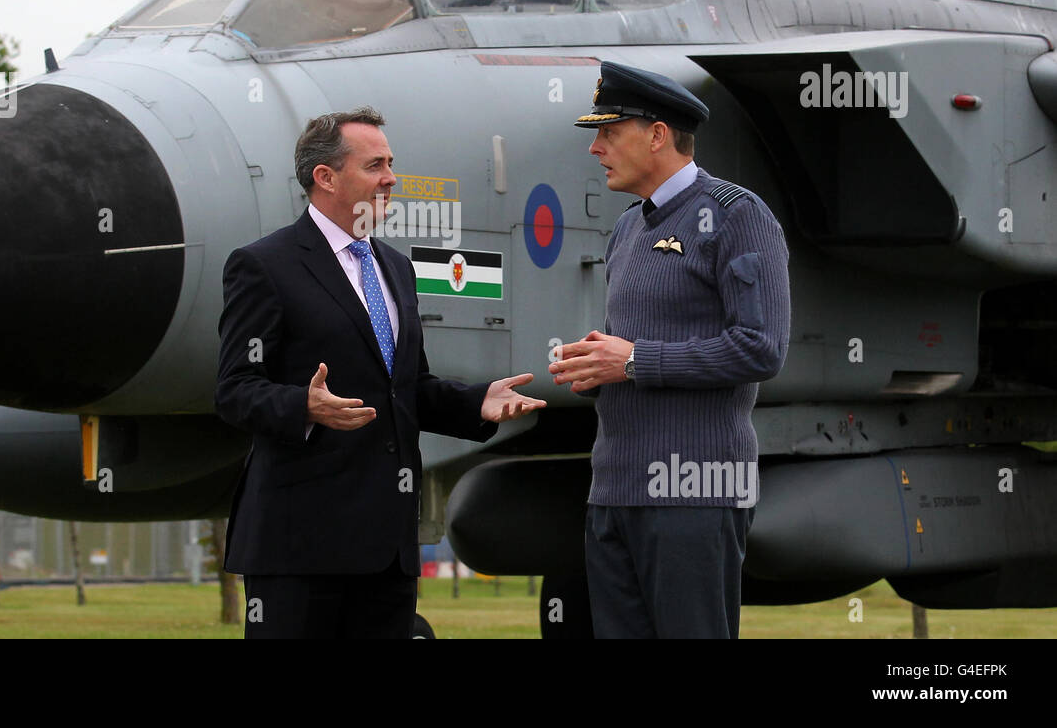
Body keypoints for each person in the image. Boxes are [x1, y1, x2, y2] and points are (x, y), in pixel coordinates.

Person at [216, 106, 544, 639]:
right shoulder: (264, 265)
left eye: (391, 163)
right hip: (299, 546)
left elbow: (406, 386)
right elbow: (234, 390)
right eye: (374, 165)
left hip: (387, 549)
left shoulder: (394, 267)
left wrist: (476, 402)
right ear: (325, 177)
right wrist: (303, 405)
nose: (391, 177)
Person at [549, 61, 790, 638]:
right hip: (614, 490)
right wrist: (598, 369)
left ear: (657, 134)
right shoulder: (627, 228)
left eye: (609, 132)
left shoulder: (739, 215)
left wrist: (632, 361)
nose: (596, 148)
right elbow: (639, 351)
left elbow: (761, 349)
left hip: (694, 490)